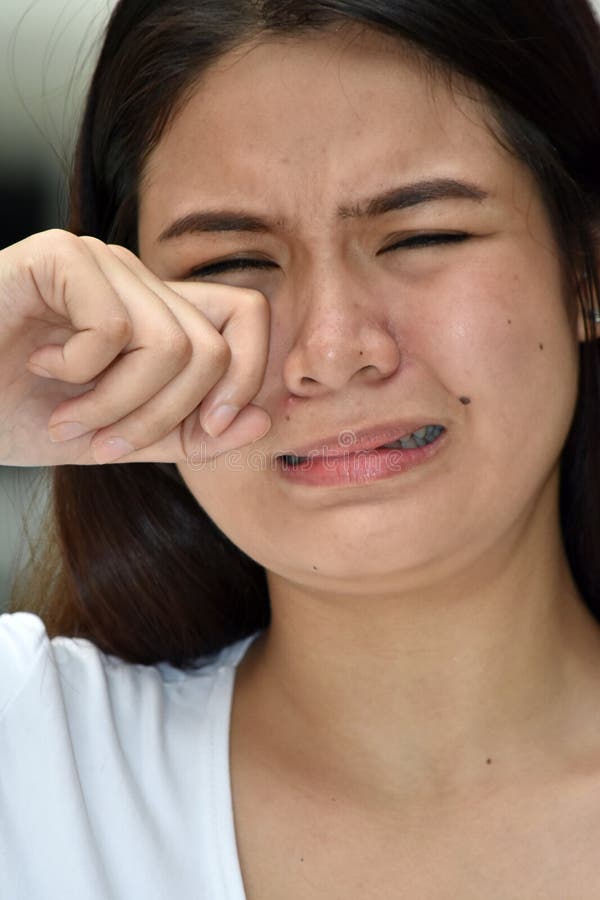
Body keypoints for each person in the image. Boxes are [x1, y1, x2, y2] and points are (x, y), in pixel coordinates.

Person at [1, 0, 600, 896]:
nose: (331, 350)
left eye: (422, 235)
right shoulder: (33, 762)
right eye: (229, 265)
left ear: (585, 268)